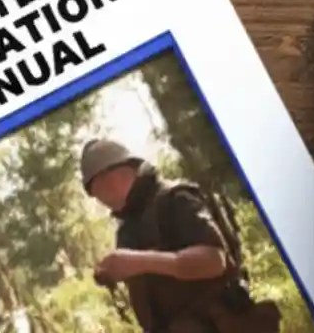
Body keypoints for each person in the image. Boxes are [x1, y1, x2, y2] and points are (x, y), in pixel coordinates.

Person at [81, 138, 281, 333]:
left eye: (104, 185)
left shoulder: (174, 199)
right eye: (96, 193)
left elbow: (214, 260)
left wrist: (138, 262)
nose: (102, 197)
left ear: (126, 168)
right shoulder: (127, 231)